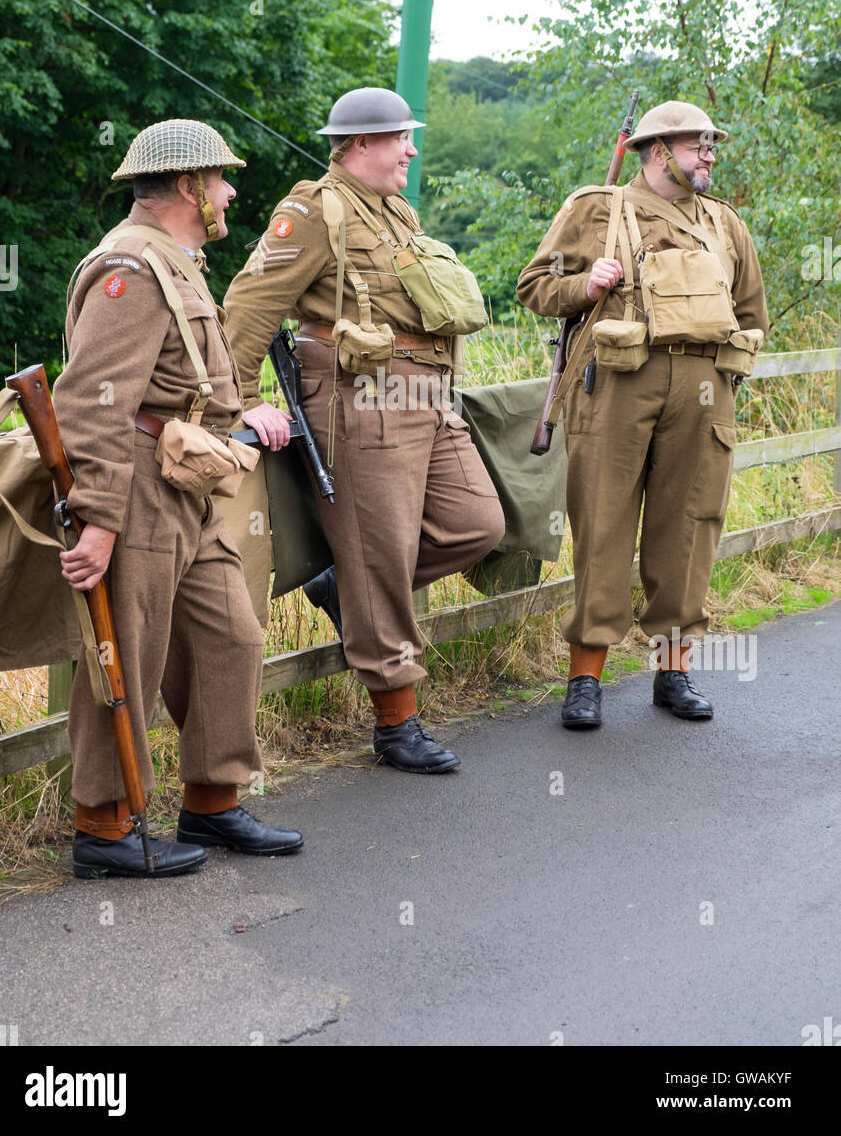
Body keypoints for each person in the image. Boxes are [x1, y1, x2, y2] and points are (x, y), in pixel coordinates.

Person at [224, 88, 505, 771]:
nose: (411, 149)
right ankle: (396, 723)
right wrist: (241, 401)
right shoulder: (312, 210)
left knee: (478, 524)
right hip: (360, 401)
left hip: (427, 398)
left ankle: (343, 580)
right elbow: (248, 306)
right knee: (378, 562)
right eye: (400, 138)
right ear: (360, 145)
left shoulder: (396, 212)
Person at [53, 119, 302, 877]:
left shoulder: (176, 260)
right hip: (135, 484)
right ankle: (102, 825)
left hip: (187, 479)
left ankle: (213, 802)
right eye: (221, 179)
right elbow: (93, 403)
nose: (231, 192)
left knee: (233, 634)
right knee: (122, 653)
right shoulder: (129, 267)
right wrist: (97, 520)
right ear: (190, 186)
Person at [517, 101, 769, 728]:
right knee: (602, 524)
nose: (709, 155)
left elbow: (753, 314)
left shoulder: (725, 223)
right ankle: (585, 678)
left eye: (711, 144)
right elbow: (532, 287)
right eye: (697, 145)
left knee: (688, 526)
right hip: (617, 386)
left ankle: (673, 670)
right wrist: (585, 286)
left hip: (705, 389)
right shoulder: (595, 209)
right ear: (659, 152)